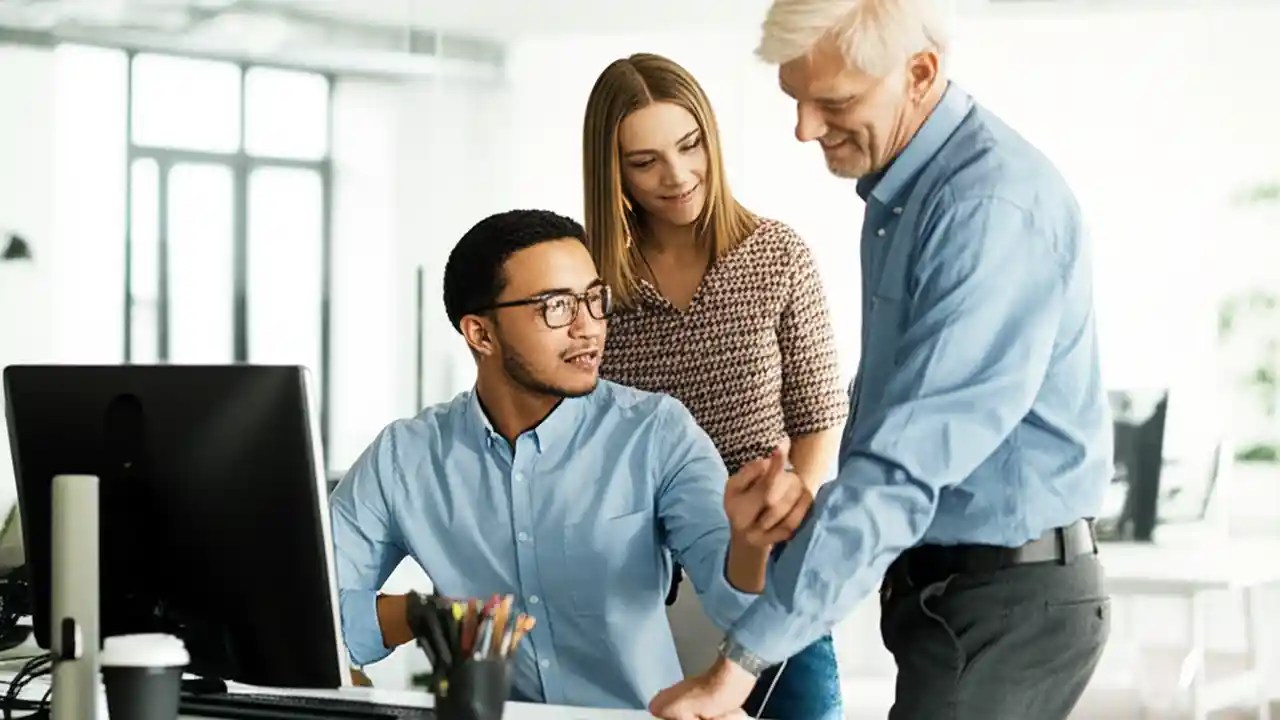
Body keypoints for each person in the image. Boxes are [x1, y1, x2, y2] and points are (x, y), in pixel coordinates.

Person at [649, 2, 1114, 719]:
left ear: (921, 73)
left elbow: (905, 467)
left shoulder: (983, 207)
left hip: (1003, 603)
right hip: (956, 598)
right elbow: (895, 413)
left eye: (832, 102)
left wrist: (735, 667)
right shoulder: (909, 194)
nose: (804, 128)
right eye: (794, 99)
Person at [328, 209, 805, 712]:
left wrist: (751, 544)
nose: (589, 328)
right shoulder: (406, 458)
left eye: (593, 300)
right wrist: (424, 615)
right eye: (555, 307)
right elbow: (309, 619)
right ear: (480, 334)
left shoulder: (656, 432)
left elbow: (739, 612)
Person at [582, 53, 848, 719]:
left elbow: (819, 416)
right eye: (644, 161)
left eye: (689, 145)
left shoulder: (777, 254)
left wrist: (785, 516)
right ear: (613, 170)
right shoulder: (590, 279)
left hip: (773, 575)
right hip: (644, 585)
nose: (676, 176)